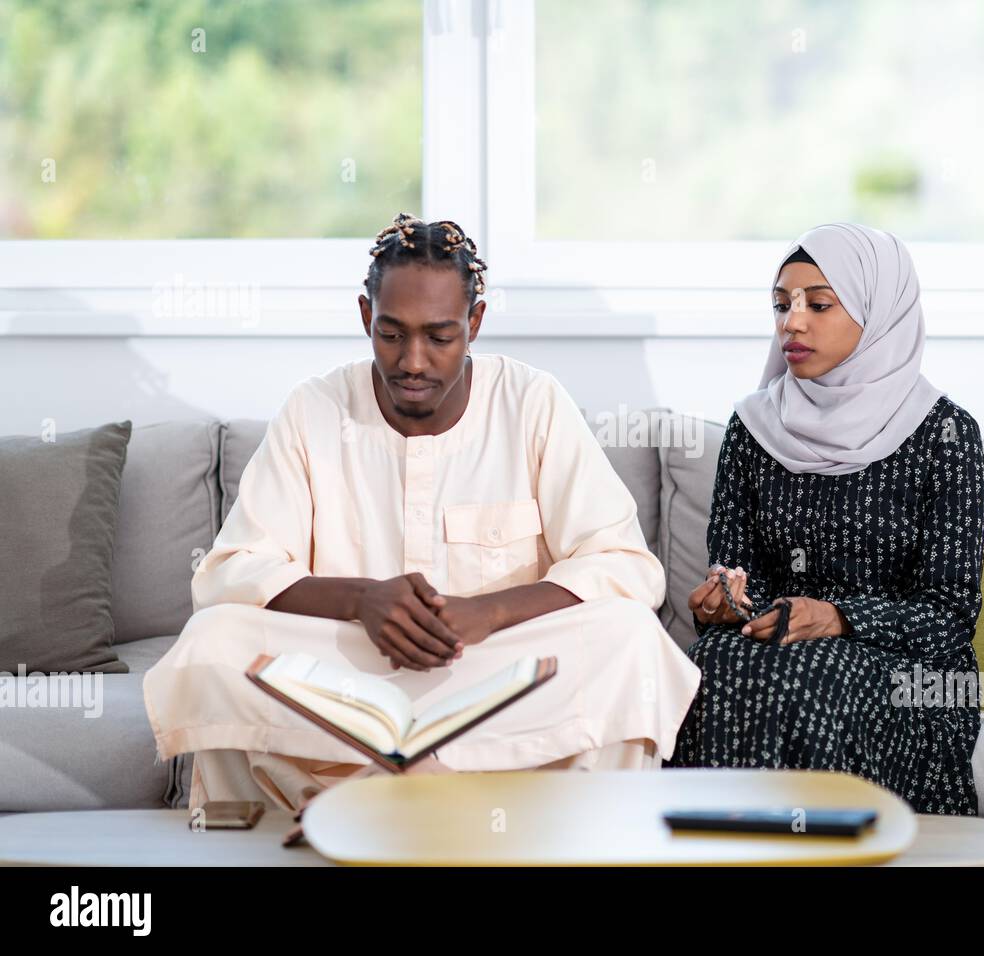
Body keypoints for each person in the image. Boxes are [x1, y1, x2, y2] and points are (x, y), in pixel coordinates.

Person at [143, 213, 702, 813]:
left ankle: (374, 804)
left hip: (493, 676)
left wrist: (488, 613)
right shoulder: (316, 408)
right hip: (350, 675)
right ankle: (420, 803)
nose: (413, 361)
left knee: (631, 637)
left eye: (439, 337)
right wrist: (361, 601)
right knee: (215, 640)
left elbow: (622, 564)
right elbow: (231, 571)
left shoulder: (531, 402)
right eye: (391, 334)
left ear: (475, 324)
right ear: (365, 317)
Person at [664, 223, 984, 816]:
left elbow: (949, 616)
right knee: (705, 666)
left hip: (909, 668)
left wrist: (838, 617)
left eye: (818, 304)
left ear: (878, 310)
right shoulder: (754, 427)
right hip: (781, 648)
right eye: (781, 304)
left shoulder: (945, 434)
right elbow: (738, 569)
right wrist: (726, 599)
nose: (792, 321)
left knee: (819, 680)